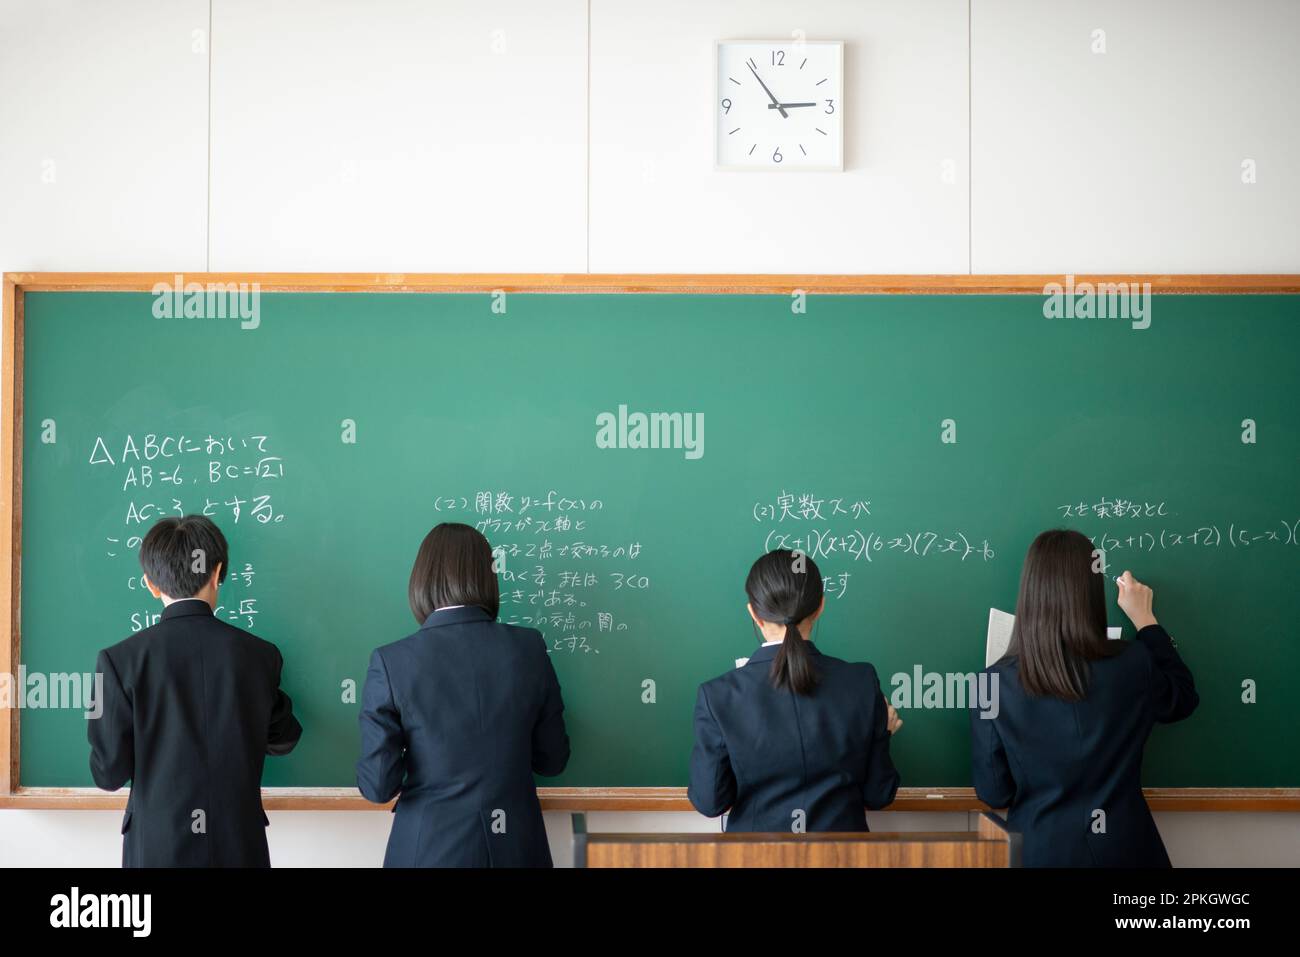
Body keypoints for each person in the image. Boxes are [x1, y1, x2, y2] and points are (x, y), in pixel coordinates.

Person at [970, 529, 1198, 866]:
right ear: (1090, 591)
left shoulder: (990, 685)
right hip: (1126, 851)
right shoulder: (1134, 663)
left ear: (1029, 591)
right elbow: (1183, 699)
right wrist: (1146, 622)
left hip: (1039, 853)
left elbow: (994, 793)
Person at [87, 515, 302, 867]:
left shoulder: (118, 661)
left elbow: (108, 773)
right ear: (218, 573)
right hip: (239, 844)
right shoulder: (260, 656)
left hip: (158, 846)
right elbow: (285, 738)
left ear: (151, 584)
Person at [357, 522, 570, 866]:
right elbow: (552, 760)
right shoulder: (530, 648)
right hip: (517, 846)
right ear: (488, 577)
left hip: (428, 849)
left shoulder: (391, 661)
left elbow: (378, 786)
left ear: (421, 579)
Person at [688, 549, 901, 831]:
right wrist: (880, 735)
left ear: (754, 613)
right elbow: (878, 796)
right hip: (844, 858)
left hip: (753, 859)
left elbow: (710, 801)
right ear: (820, 606)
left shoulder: (718, 696)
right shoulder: (861, 681)